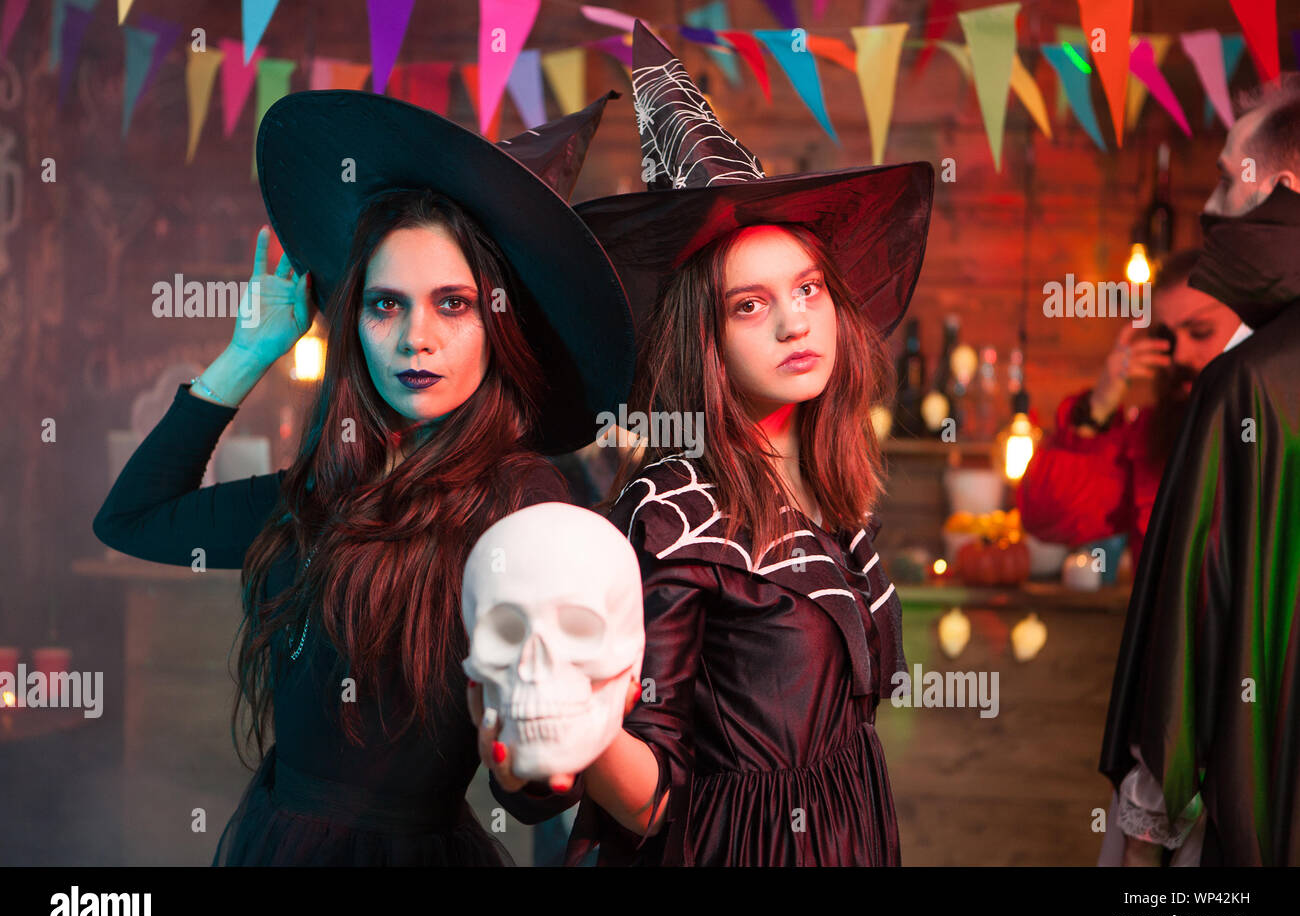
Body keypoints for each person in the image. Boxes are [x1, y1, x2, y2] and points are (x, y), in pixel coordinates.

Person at [92, 89, 635, 865]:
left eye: (454, 304)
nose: (417, 338)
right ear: (355, 321)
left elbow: (533, 786)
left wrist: (536, 746)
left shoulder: (521, 502)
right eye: (387, 305)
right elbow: (132, 519)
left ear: (498, 324)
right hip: (275, 842)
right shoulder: (319, 489)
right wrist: (250, 351)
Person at [471, 20, 933, 865]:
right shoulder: (671, 514)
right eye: (750, 304)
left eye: (809, 288)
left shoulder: (832, 485)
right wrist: (570, 726)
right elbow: (652, 805)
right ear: (705, 340)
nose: (796, 320)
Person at [1099, 73, 1300, 866]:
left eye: (1227, 179)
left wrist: (1161, 771)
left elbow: (1196, 602)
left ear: (1286, 185)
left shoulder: (1251, 377)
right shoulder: (1227, 381)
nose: (1210, 206)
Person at [1016, 249, 1242, 567]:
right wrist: (1098, 406)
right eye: (1168, 338)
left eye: (1201, 331)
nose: (1180, 356)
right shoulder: (1152, 440)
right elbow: (1047, 514)